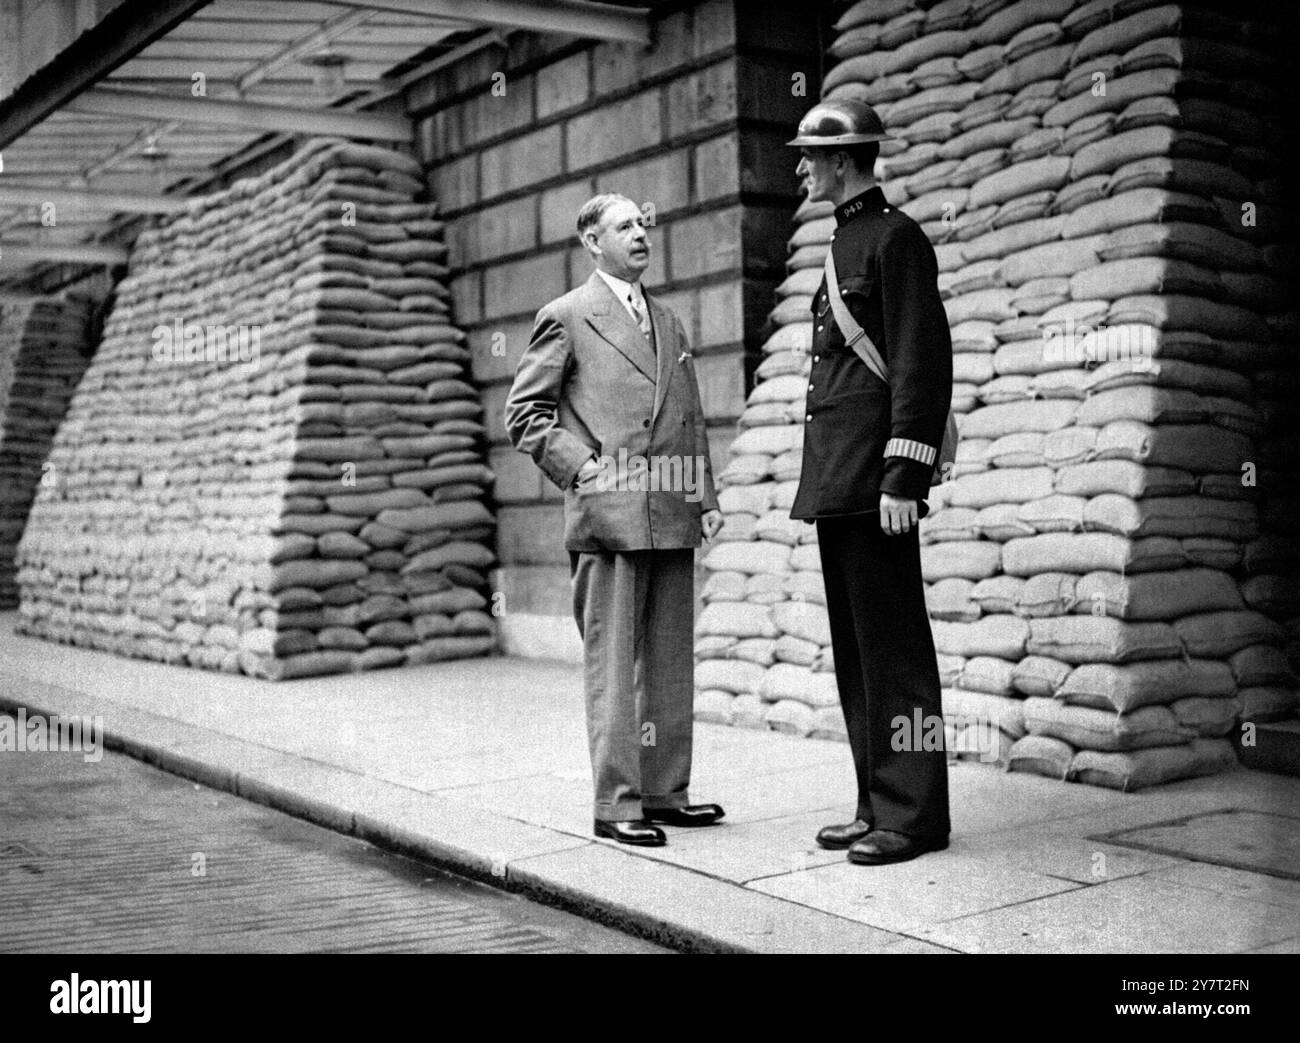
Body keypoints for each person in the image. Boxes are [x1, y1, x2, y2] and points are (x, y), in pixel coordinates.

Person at [504, 193, 726, 847]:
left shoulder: (670, 321)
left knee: (667, 660)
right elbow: (525, 414)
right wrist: (582, 468)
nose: (641, 233)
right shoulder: (567, 317)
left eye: (644, 223)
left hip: (669, 507)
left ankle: (664, 790)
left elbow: (690, 413)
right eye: (625, 225)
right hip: (610, 513)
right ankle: (616, 801)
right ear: (591, 242)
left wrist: (706, 496)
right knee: (615, 662)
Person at [786, 99, 953, 865]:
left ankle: (915, 814)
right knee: (858, 650)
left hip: (880, 483)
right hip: (842, 482)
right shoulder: (844, 241)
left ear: (845, 161)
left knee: (897, 653)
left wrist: (903, 475)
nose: (801, 169)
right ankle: (874, 798)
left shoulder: (897, 240)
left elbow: (921, 364)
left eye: (812, 158)